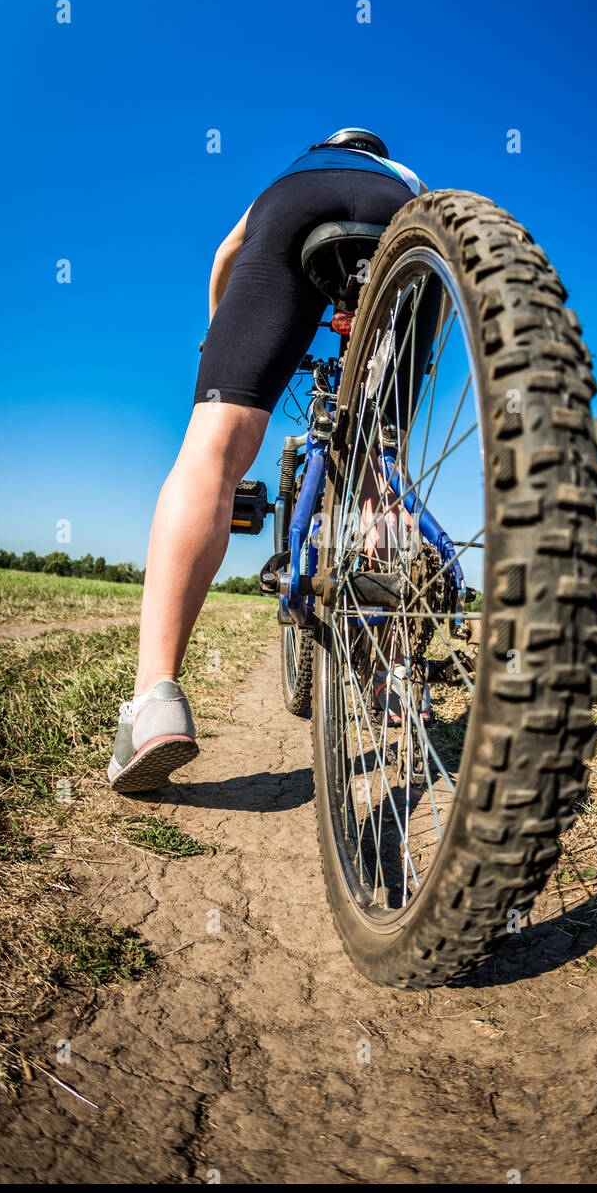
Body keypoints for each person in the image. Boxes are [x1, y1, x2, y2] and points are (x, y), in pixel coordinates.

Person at [107, 129, 427, 793]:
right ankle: (392, 673)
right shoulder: (404, 176)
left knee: (215, 449)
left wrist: (220, 338)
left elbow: (229, 253)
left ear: (330, 145)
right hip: (410, 224)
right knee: (377, 465)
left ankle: (155, 702)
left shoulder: (297, 171)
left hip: (292, 214)